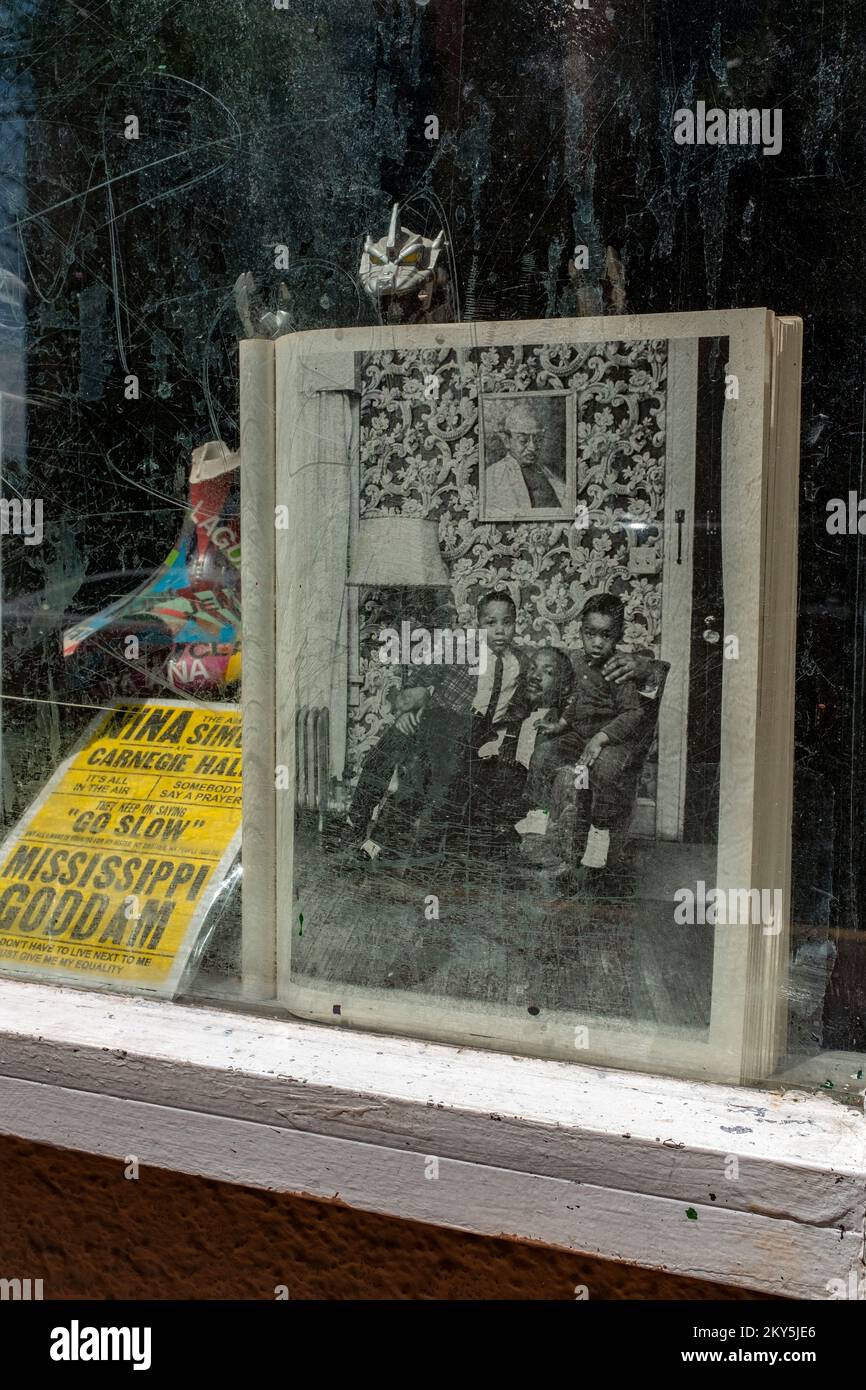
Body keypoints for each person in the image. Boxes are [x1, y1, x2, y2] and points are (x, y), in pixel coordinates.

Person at [522, 594, 664, 893]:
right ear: (581, 632)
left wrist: (601, 739)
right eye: (591, 634)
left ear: (618, 636)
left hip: (611, 737)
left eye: (606, 635)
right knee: (543, 754)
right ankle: (537, 817)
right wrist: (560, 723)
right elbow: (573, 702)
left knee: (606, 770)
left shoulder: (618, 669)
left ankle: (599, 833)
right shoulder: (576, 663)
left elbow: (633, 712)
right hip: (578, 733)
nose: (597, 642)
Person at [484, 404, 565, 514]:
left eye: (537, 440)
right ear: (507, 441)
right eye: (523, 440)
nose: (533, 447)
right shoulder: (491, 477)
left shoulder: (547, 472)